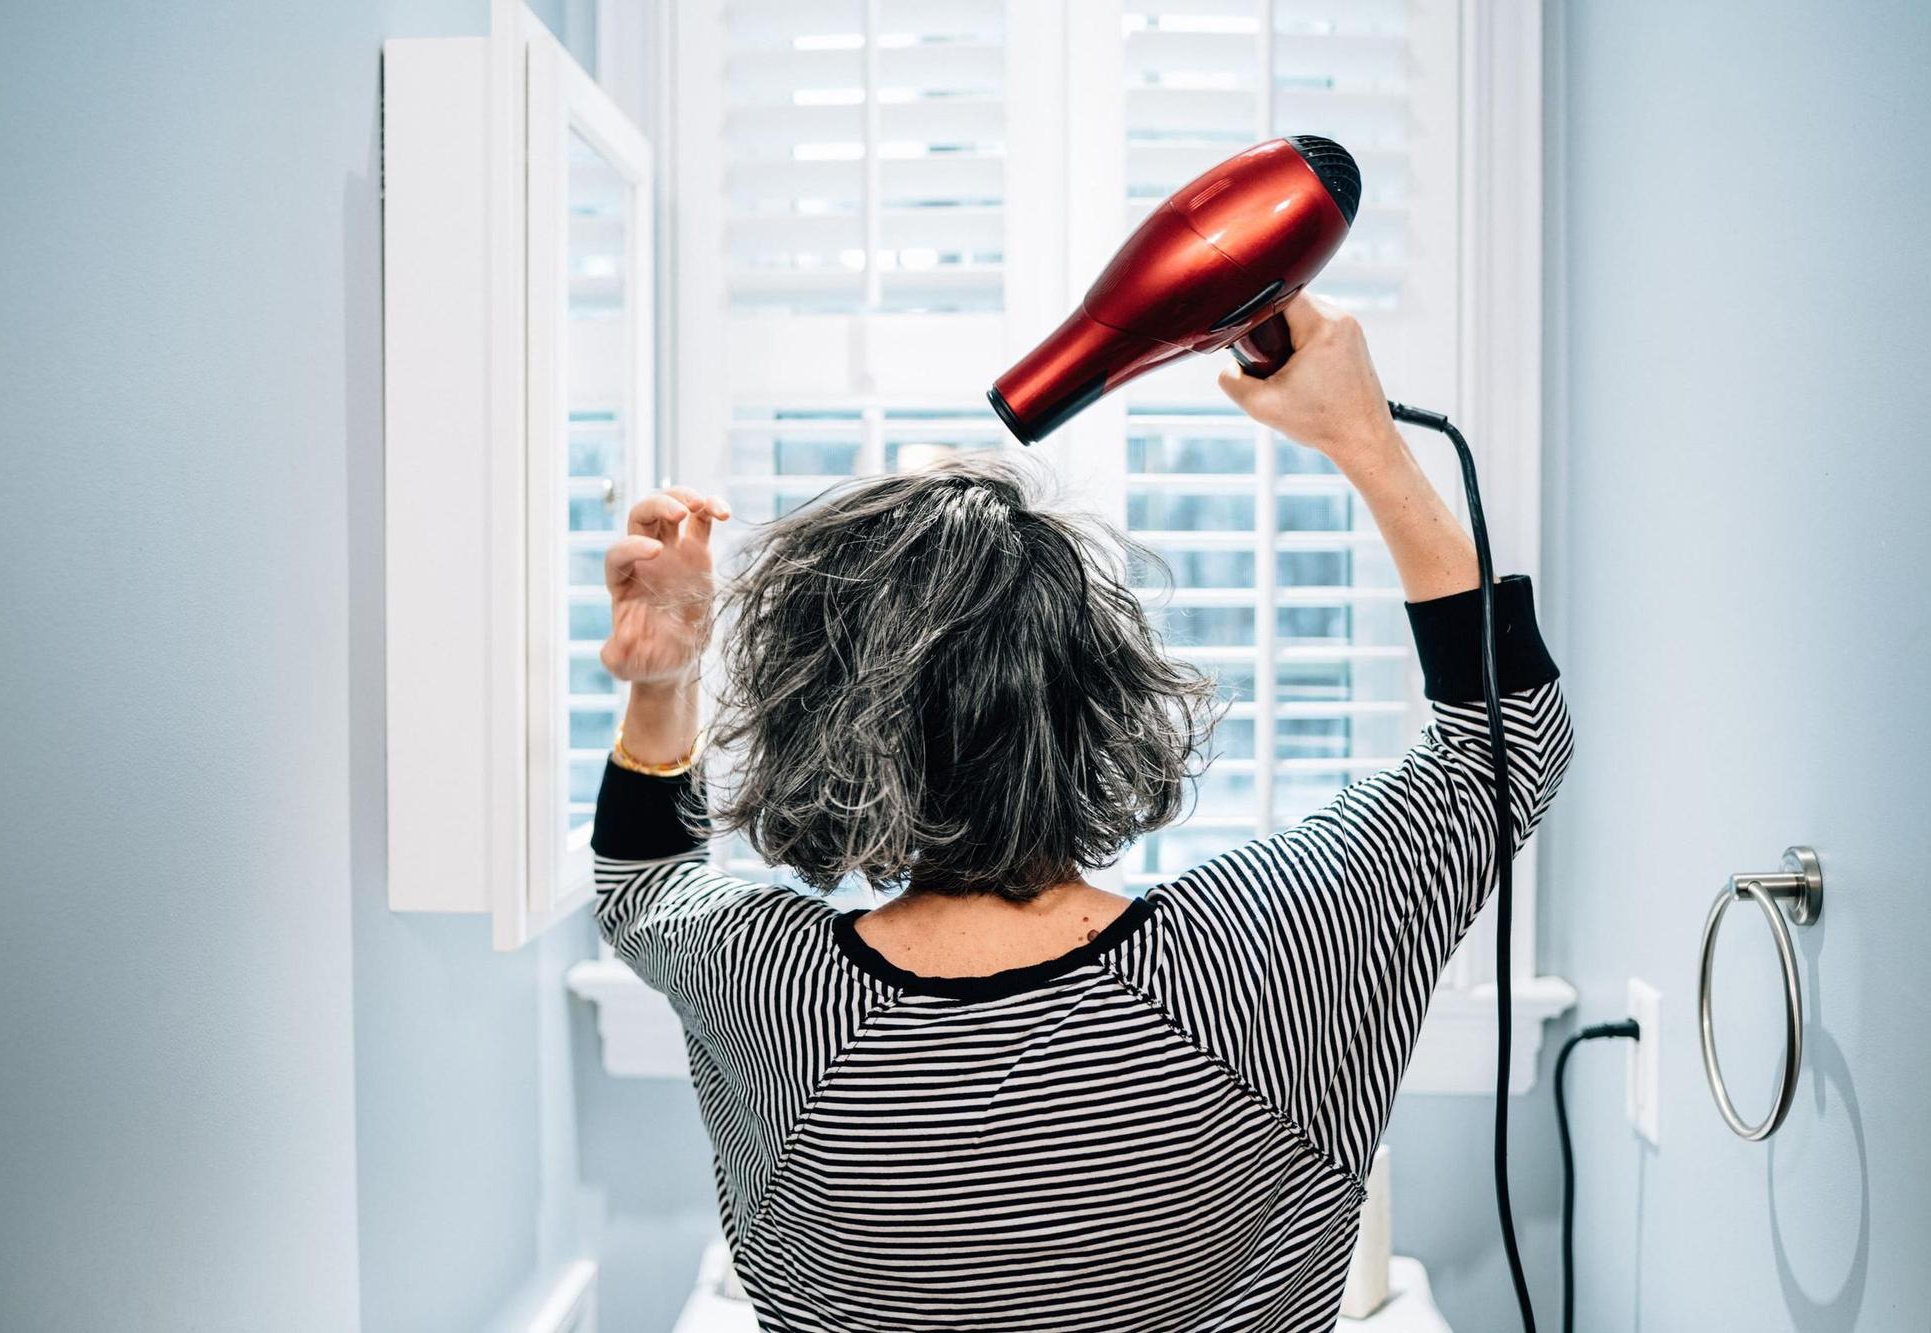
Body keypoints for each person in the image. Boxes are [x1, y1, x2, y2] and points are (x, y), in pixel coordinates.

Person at [589, 294, 1574, 1332]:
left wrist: (665, 677)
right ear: (1098, 696)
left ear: (817, 726)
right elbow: (1506, 745)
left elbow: (638, 885)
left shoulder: (773, 997)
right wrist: (1361, 436)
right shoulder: (1264, 960)